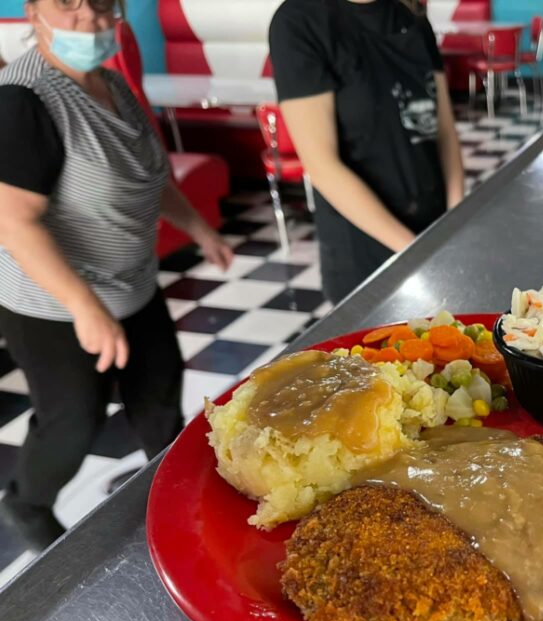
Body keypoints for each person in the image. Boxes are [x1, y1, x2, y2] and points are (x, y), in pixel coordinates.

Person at [0, 0, 234, 550]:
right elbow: (15, 223)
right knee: (72, 422)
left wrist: (201, 229)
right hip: (52, 303)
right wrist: (85, 307)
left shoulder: (112, 83)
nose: (88, 16)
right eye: (68, 4)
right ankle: (28, 505)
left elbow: (148, 177)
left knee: (159, 399)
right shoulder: (22, 101)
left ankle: (173, 499)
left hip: (133, 285)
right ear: (34, 12)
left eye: (102, 3)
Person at [269, 0, 465, 305]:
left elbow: (445, 133)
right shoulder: (300, 22)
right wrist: (416, 252)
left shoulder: (412, 19)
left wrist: (453, 224)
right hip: (365, 252)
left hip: (432, 234)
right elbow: (322, 166)